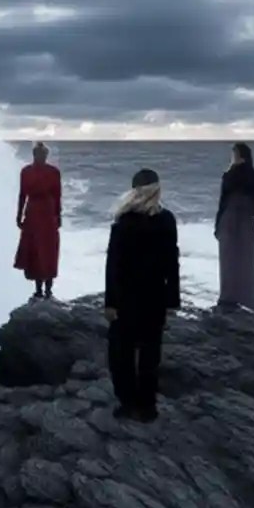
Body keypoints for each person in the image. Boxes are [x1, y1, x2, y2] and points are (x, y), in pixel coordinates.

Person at [104, 168, 180, 422]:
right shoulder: (167, 220)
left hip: (126, 297)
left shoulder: (123, 221)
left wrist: (110, 302)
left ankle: (127, 403)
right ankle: (147, 407)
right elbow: (172, 263)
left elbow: (112, 265)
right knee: (150, 354)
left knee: (121, 354)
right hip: (155, 295)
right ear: (157, 190)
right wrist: (172, 301)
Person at [214, 142, 254, 311]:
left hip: (229, 218)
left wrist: (217, 224)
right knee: (247, 259)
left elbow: (223, 202)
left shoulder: (229, 175)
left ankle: (228, 297)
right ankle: (249, 298)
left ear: (238, 155)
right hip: (247, 219)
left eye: (234, 153)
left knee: (228, 257)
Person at [14, 141, 62, 300]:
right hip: (34, 212)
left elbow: (57, 196)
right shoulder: (26, 172)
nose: (42, 157)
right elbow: (22, 195)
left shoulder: (54, 172)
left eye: (44, 154)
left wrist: (58, 215)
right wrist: (19, 215)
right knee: (35, 251)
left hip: (47, 214)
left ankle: (48, 289)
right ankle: (39, 289)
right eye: (39, 154)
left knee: (49, 251)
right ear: (34, 155)